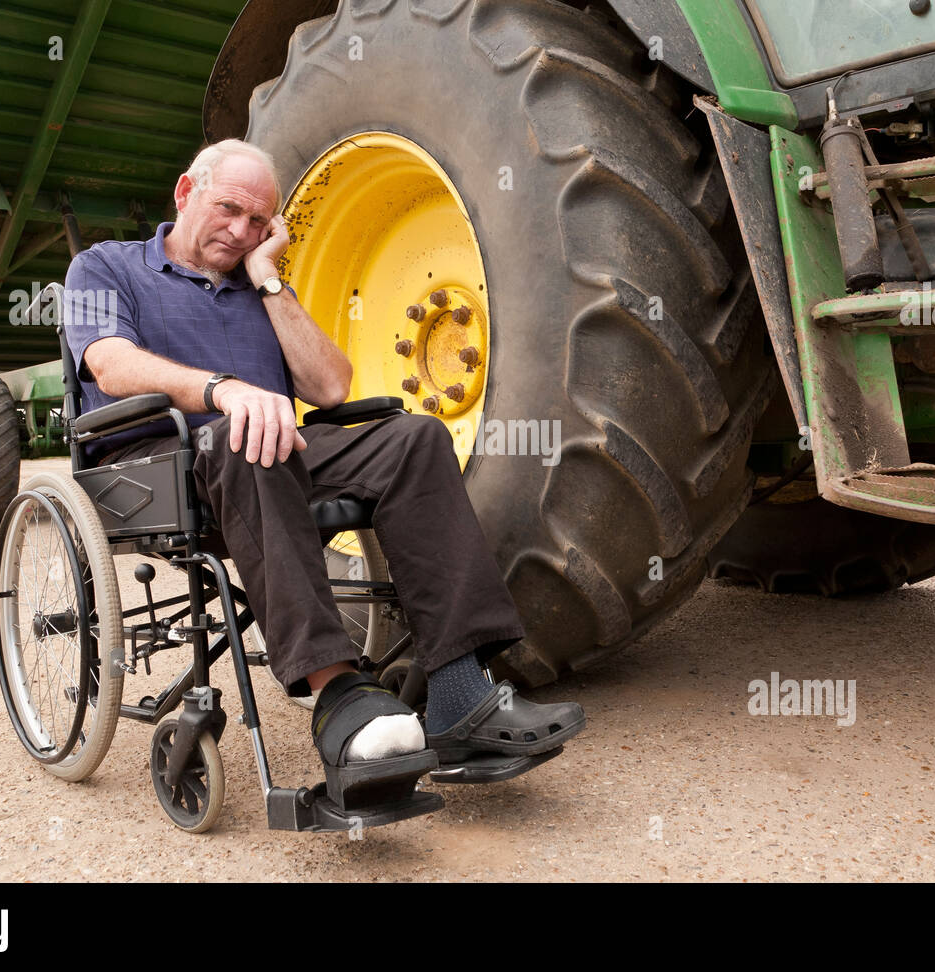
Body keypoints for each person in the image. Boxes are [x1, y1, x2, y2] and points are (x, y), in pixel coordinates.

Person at [62, 139, 584, 805]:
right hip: (155, 464)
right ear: (185, 193)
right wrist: (224, 390)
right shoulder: (102, 267)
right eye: (228, 210)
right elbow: (109, 362)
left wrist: (269, 276)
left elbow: (331, 388)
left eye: (259, 221)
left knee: (415, 438)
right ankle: (338, 697)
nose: (241, 229)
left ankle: (460, 695)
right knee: (247, 435)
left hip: (272, 453)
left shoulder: (262, 287)